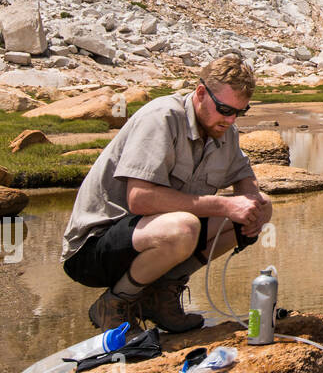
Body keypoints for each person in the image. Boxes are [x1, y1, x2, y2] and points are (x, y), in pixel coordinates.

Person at [59, 53, 273, 333]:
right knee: (183, 227)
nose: (231, 120)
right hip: (95, 248)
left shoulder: (224, 131)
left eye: (239, 112)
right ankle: (114, 303)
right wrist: (224, 206)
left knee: (262, 205)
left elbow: (245, 177)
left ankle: (161, 295)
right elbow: (140, 199)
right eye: (224, 109)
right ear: (200, 93)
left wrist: (251, 205)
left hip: (155, 238)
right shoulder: (162, 117)